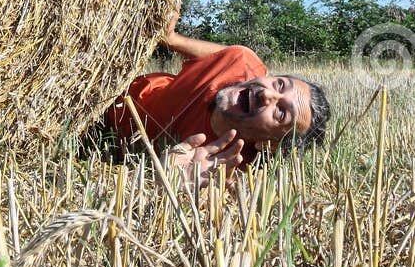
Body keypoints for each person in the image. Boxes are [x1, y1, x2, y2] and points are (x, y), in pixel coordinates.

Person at [102, 13, 330, 178]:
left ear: (268, 145)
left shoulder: (223, 165)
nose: (268, 95)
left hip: (100, 133)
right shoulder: (241, 61)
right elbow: (184, 43)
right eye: (280, 84)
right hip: (109, 88)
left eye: (281, 113)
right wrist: (170, 39)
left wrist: (170, 179)